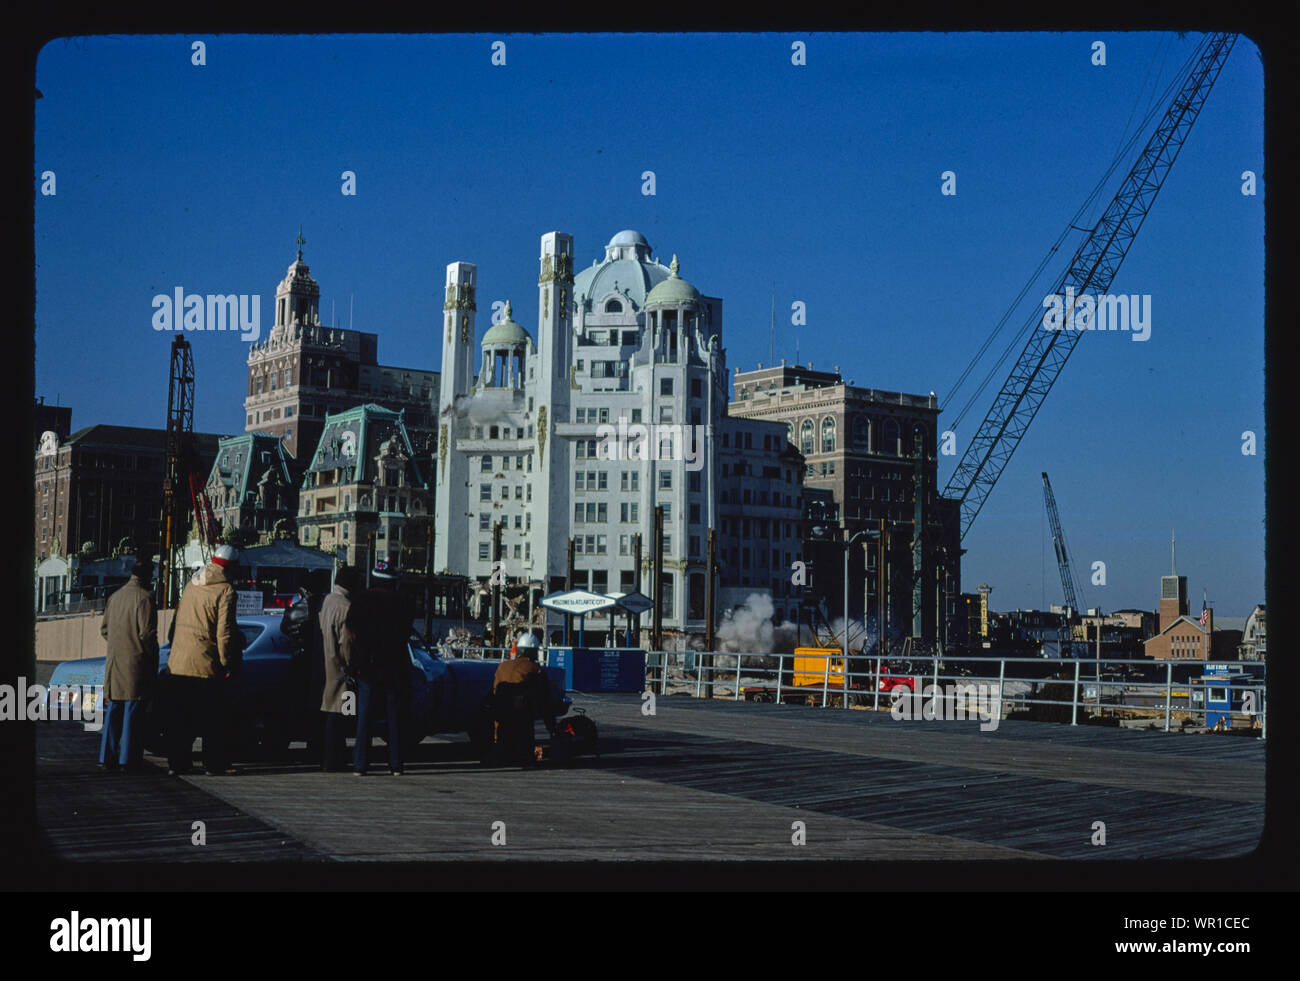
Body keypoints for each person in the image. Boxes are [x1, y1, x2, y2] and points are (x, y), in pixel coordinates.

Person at [165, 544, 244, 776]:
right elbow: (224, 633)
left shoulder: (192, 584)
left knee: (181, 719)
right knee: (214, 719)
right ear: (232, 567)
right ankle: (214, 764)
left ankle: (177, 764)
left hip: (178, 662)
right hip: (205, 664)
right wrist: (227, 662)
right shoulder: (226, 591)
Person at [345, 560, 414, 775]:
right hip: (394, 665)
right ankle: (396, 764)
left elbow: (351, 632)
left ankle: (360, 764)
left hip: (368, 666)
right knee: (395, 717)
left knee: (364, 716)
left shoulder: (360, 601)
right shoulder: (402, 602)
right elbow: (406, 633)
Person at [98, 559, 159, 772]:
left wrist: (119, 642)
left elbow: (104, 629)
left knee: (114, 709)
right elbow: (147, 634)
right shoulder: (145, 598)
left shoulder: (115, 597)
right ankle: (128, 759)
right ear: (147, 576)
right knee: (133, 712)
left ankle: (107, 756)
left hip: (115, 662)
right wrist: (152, 658)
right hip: (137, 662)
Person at [491, 631, 557, 766]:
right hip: (521, 720)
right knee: (525, 752)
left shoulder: (502, 666)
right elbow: (545, 701)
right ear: (533, 652)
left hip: (500, 720)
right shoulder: (535, 669)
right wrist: (552, 729)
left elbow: (494, 691)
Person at [317, 565, 359, 772]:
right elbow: (347, 643)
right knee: (344, 713)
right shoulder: (347, 607)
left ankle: (330, 758)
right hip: (343, 669)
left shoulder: (328, 601)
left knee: (331, 711)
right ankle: (337, 759)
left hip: (327, 664)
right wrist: (352, 667)